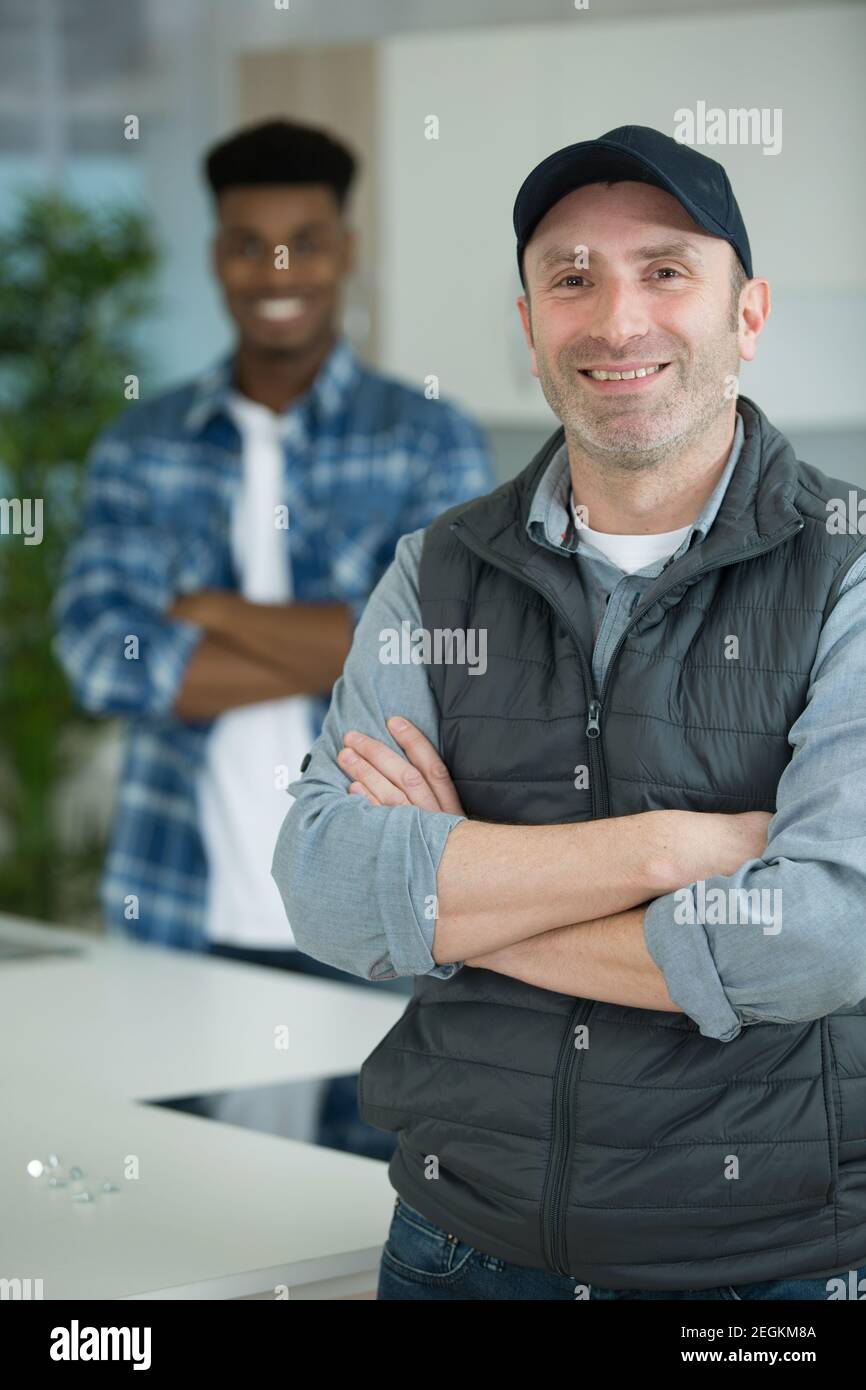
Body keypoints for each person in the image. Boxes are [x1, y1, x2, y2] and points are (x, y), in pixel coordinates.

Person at [273, 125, 866, 1298]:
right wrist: (668, 851)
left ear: (745, 314)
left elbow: (823, 933)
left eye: (663, 271)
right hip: (454, 1248)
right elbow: (325, 888)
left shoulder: (844, 567)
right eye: (570, 280)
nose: (615, 319)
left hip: (761, 1270)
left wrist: (447, 905)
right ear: (530, 323)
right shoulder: (437, 568)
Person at [53, 118, 493, 993]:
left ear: (346, 252)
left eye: (307, 243)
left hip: (377, 913)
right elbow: (103, 658)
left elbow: (444, 657)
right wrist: (347, 645)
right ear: (217, 258)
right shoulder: (140, 444)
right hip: (175, 907)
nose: (278, 273)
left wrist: (210, 611)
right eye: (250, 246)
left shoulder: (430, 439)